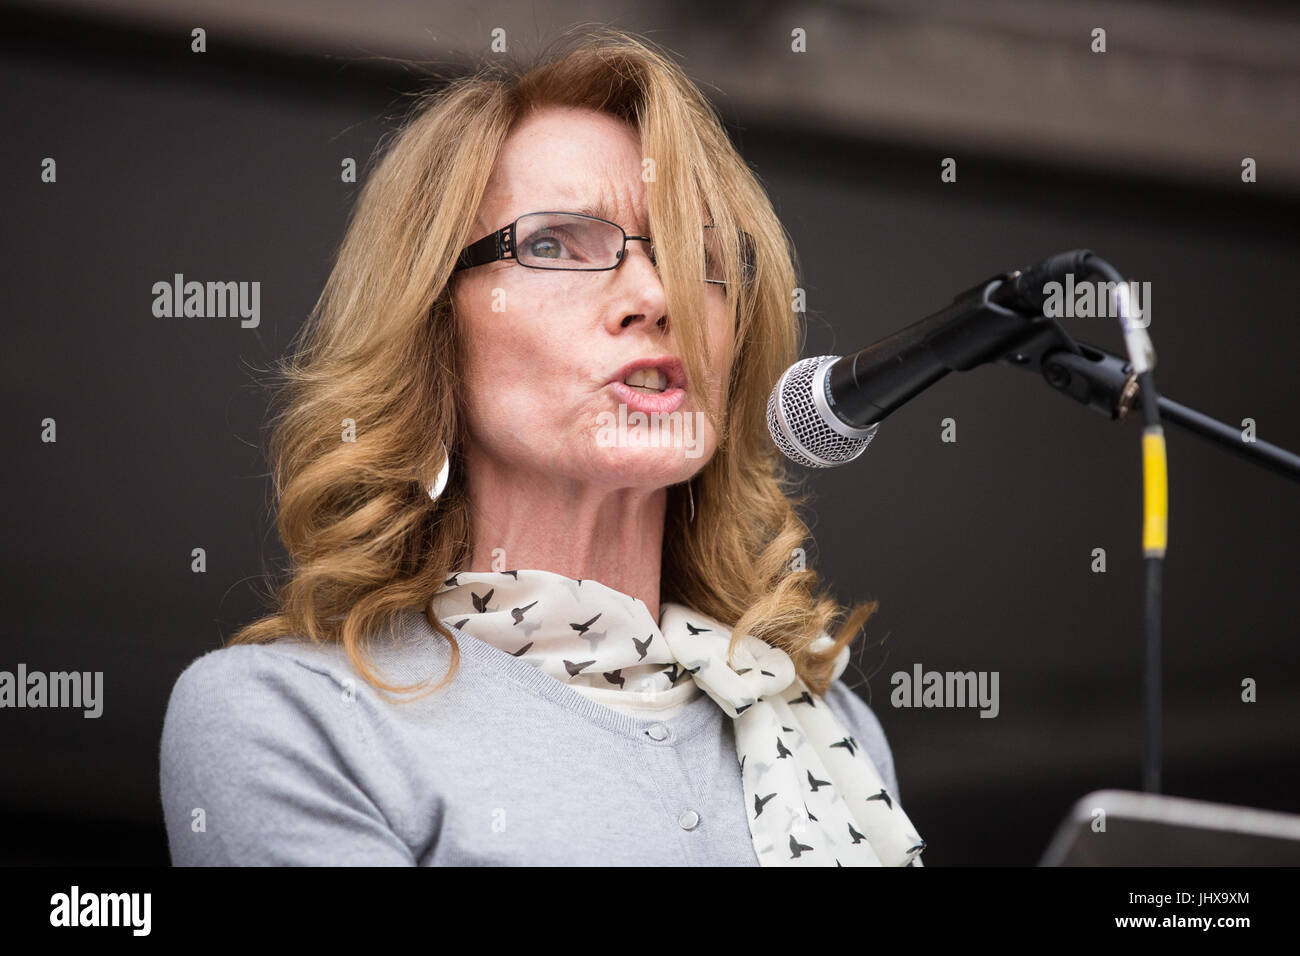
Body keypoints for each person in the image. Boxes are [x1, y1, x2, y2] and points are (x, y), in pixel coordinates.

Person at [160, 25, 925, 867]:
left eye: (693, 253)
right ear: (436, 332)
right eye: (558, 243)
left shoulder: (825, 730)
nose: (653, 293)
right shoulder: (295, 716)